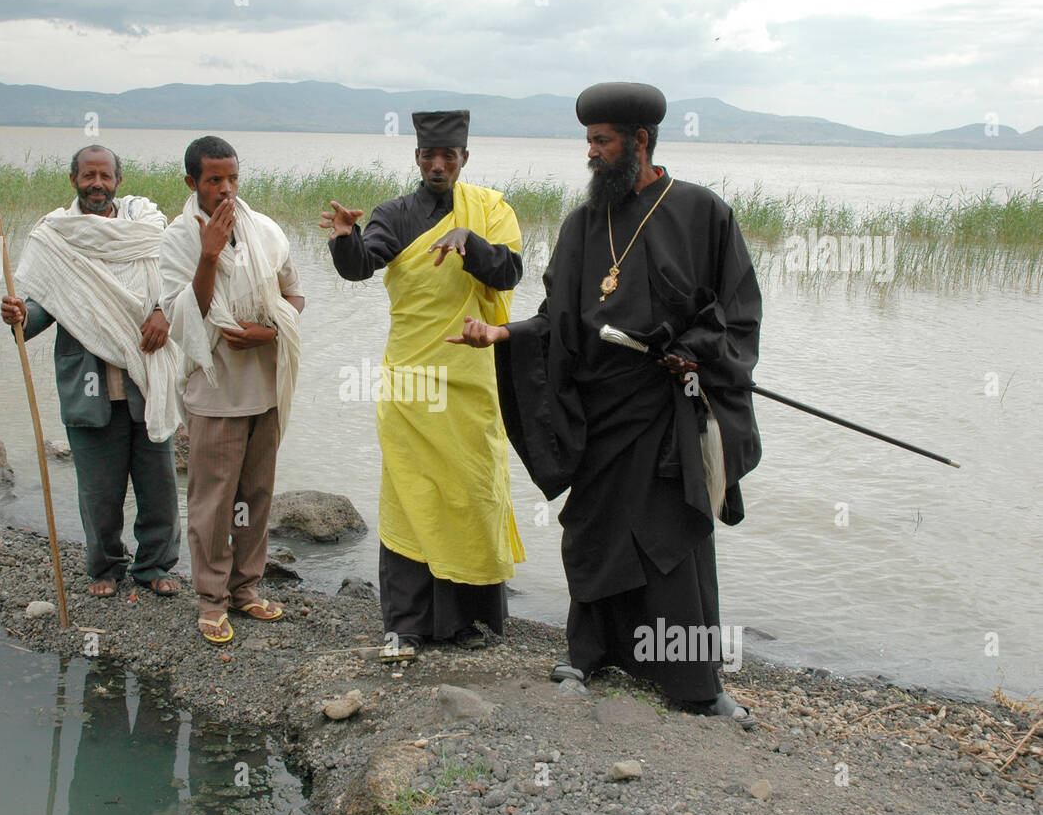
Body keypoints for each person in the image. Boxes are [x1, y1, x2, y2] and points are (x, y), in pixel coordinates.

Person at [448, 83, 762, 724]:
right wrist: (502, 333)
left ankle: (695, 683)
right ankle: (588, 654)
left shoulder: (704, 213)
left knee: (675, 537)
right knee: (594, 529)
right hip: (600, 409)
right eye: (588, 141)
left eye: (602, 141)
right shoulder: (583, 222)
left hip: (669, 406)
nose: (591, 153)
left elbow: (736, 314)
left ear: (639, 141)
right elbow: (557, 317)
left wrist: (693, 352)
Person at [321, 110, 525, 655]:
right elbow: (362, 265)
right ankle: (406, 626)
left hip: (469, 376)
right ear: (416, 159)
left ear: (463, 159)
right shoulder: (396, 212)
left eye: (449, 157)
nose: (439, 165)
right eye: (429, 156)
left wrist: (471, 243)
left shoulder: (490, 210)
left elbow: (509, 273)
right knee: (411, 495)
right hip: (411, 379)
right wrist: (346, 238)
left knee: (469, 490)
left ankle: (468, 625)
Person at [0, 145, 182, 600]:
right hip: (89, 386)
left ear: (118, 181)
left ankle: (155, 566)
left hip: (147, 381)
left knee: (157, 487)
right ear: (74, 180)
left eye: (104, 176)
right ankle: (105, 567)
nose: (96, 184)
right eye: (88, 176)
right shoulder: (56, 238)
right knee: (98, 493)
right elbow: (43, 309)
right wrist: (19, 315)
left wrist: (162, 312)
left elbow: (178, 289)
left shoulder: (146, 231)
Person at [159, 136, 304, 645]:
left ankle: (246, 588)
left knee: (255, 497)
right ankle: (210, 599)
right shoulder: (178, 239)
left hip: (265, 386)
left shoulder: (264, 229)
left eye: (232, 178)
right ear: (191, 182)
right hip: (216, 393)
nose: (225, 190)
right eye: (213, 180)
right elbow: (184, 317)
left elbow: (293, 295)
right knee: (213, 502)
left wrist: (271, 332)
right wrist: (208, 256)